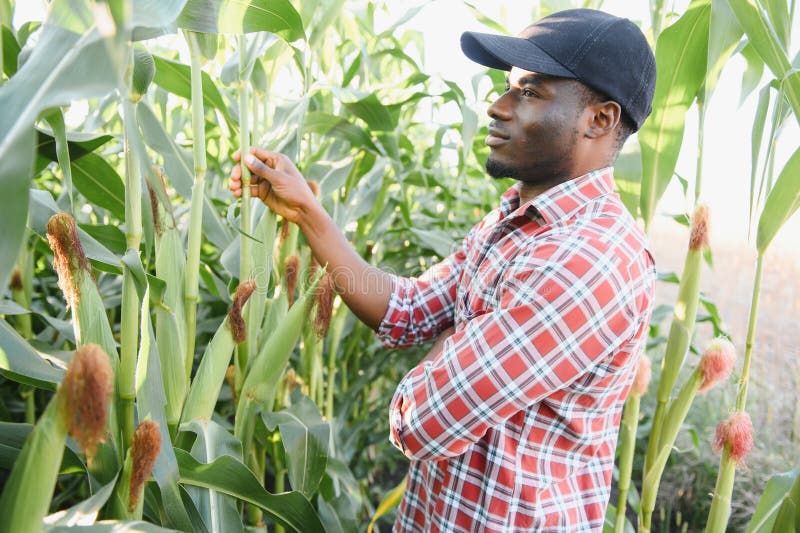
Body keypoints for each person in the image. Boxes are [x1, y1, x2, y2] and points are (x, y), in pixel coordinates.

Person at [230, 8, 657, 532]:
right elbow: (405, 308)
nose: (497, 107)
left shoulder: (589, 259)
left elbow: (423, 420)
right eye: (507, 87)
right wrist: (307, 213)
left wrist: (452, 343)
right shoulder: (517, 223)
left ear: (600, 120)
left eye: (530, 92)